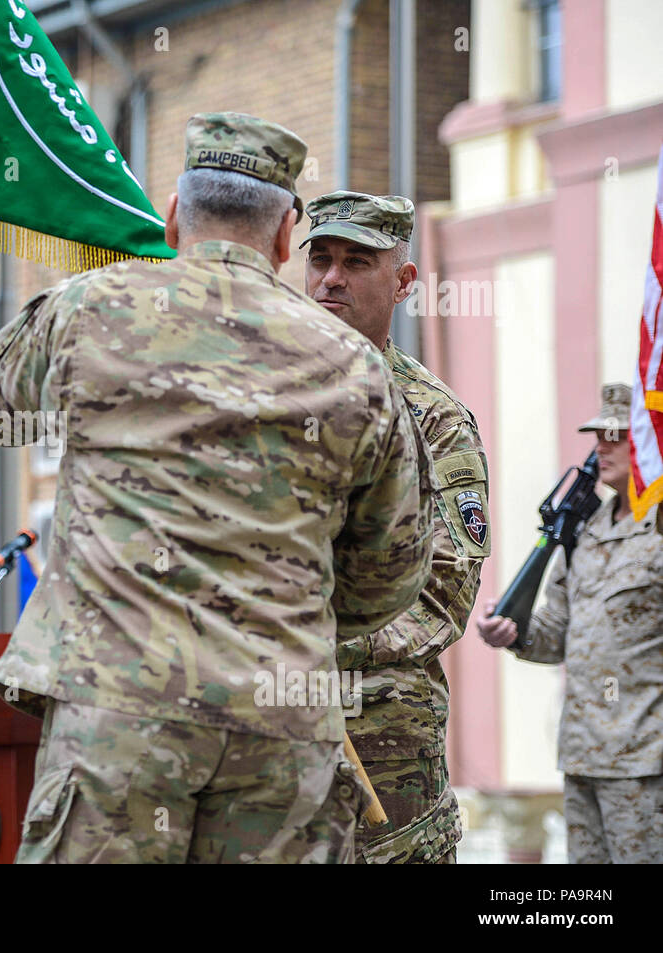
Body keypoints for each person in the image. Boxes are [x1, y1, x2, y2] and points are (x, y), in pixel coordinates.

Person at [0, 113, 434, 864]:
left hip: (118, 717)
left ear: (174, 214)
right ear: (288, 237)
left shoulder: (92, 310)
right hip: (283, 723)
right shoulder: (355, 364)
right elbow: (392, 567)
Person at [301, 191, 491, 863]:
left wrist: (319, 645)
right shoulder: (262, 400)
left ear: (404, 281)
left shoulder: (434, 419)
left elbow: (444, 592)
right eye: (320, 258)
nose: (331, 277)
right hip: (265, 742)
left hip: (383, 749)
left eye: (357, 261)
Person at [478, 383, 663, 863]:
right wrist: (515, 632)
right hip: (583, 753)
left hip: (647, 760)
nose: (601, 446)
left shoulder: (658, 530)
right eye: (597, 434)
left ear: (648, 439)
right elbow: (556, 632)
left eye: (616, 435)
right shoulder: (585, 530)